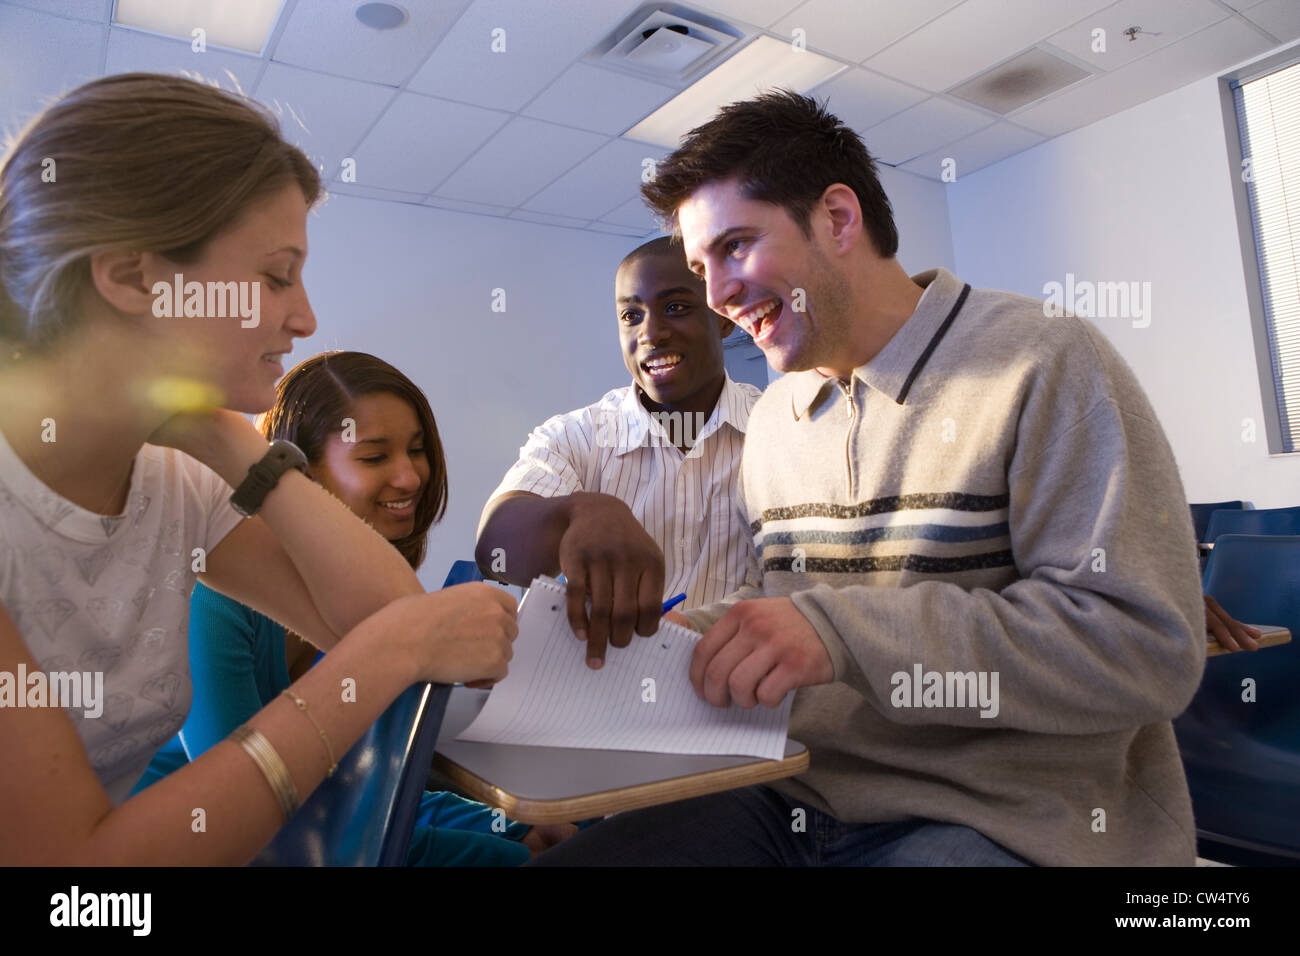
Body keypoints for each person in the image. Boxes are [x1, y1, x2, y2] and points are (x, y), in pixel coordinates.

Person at [530, 91, 1206, 867]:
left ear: (839, 219)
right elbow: (794, 611)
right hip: (794, 795)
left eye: (736, 247)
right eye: (700, 266)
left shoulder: (1045, 359)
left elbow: (1143, 647)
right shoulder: (778, 420)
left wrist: (841, 634)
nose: (715, 297)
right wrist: (694, 638)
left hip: (1001, 818)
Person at [0, 73, 516, 865]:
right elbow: (78, 885)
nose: (303, 316)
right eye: (277, 275)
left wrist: (237, 444)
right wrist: (396, 650)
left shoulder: (180, 473)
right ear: (134, 276)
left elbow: (379, 619)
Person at [132, 351, 574, 863]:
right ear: (300, 472)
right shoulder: (216, 600)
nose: (410, 478)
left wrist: (505, 829)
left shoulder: (363, 603)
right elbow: (261, 831)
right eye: (374, 457)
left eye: (416, 450)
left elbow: (363, 794)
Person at [475, 237, 761, 666]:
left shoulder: (777, 430)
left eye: (676, 307)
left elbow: (796, 584)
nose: (650, 333)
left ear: (722, 315)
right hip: (596, 700)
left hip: (740, 702)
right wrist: (578, 512)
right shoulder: (576, 436)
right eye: (631, 316)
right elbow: (495, 553)